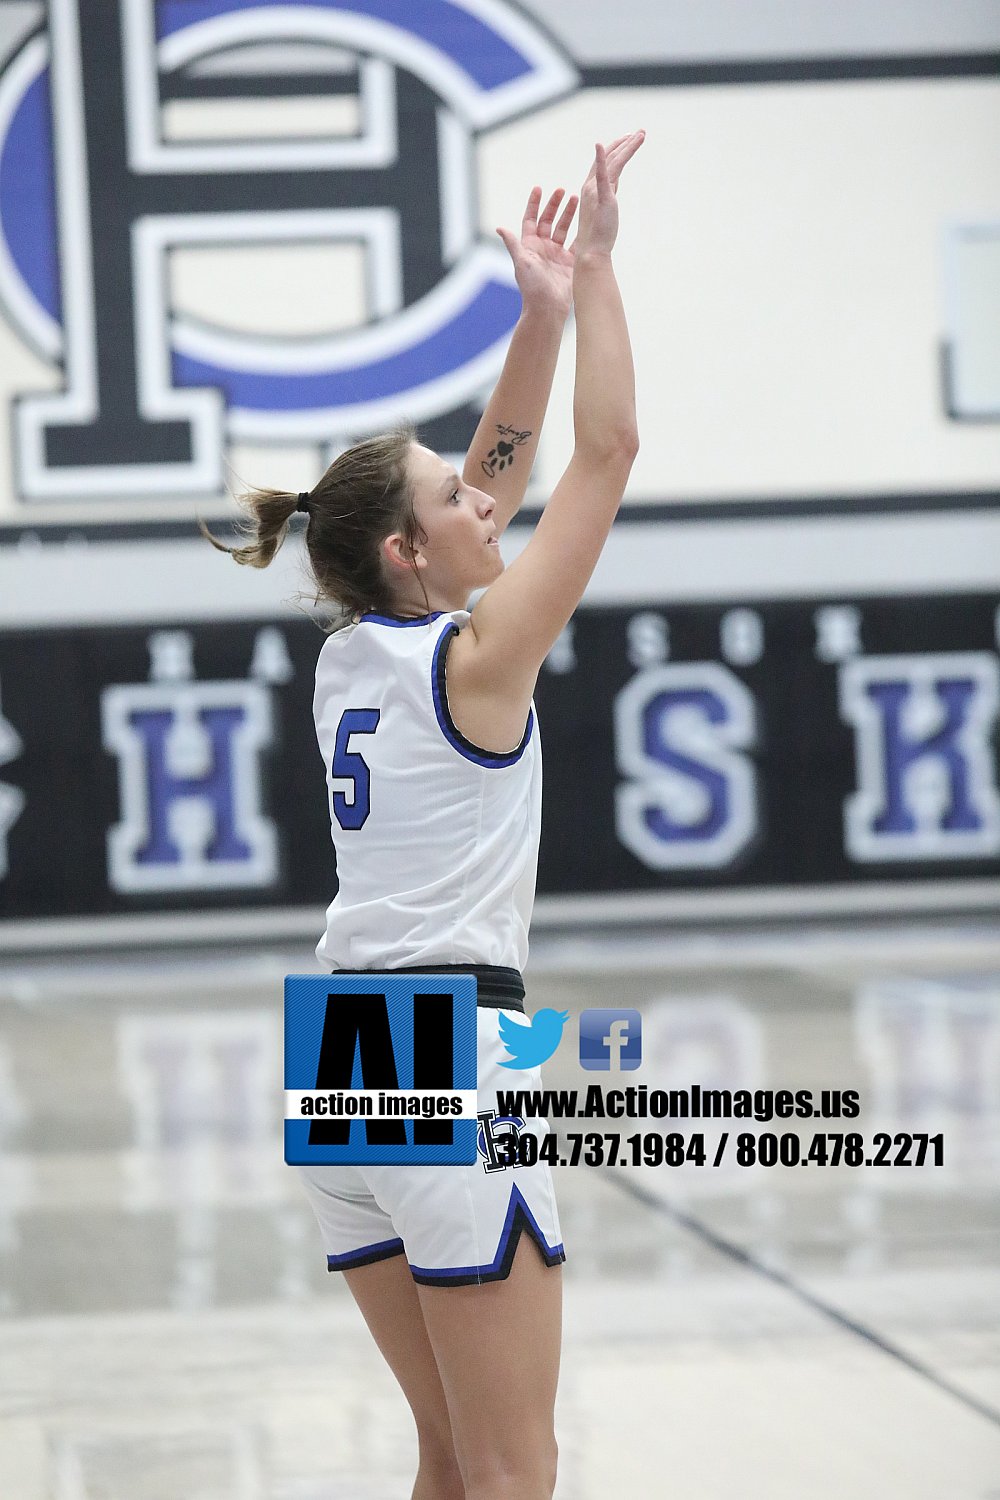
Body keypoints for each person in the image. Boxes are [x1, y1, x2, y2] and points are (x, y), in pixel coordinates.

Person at [206, 130, 643, 1500]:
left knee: (452, 1461)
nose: (483, 490)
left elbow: (495, 484)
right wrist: (607, 275)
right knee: (515, 1472)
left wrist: (540, 311)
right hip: (448, 1044)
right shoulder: (480, 654)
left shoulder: (360, 646)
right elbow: (610, 449)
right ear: (410, 551)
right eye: (457, 494)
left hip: (343, 1044)